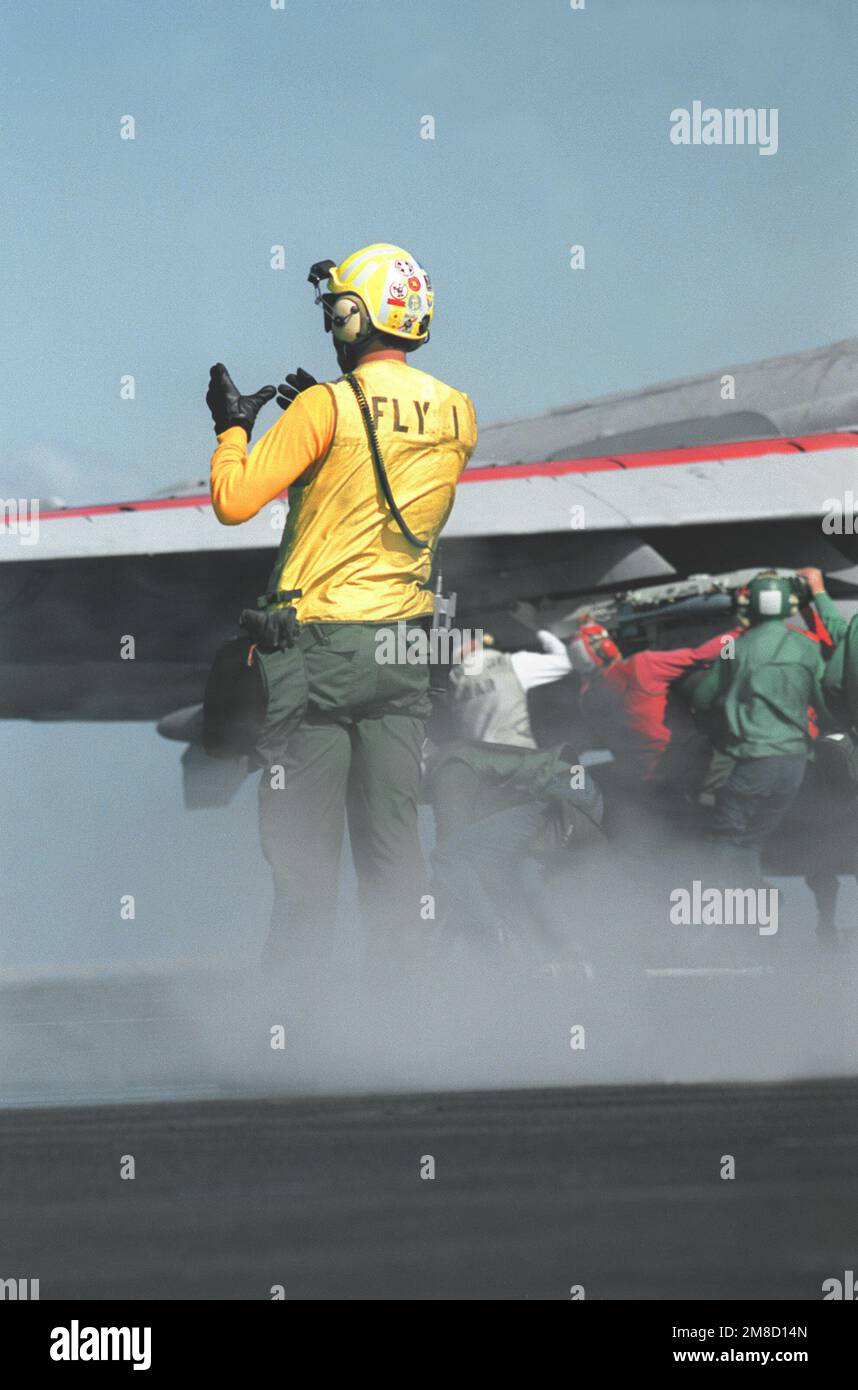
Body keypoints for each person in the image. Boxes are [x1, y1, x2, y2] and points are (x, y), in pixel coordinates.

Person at [204, 244, 477, 986]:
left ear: (358, 313)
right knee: (395, 850)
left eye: (335, 310)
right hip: (402, 653)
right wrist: (323, 425)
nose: (331, 323)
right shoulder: (458, 411)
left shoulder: (327, 406)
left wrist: (234, 428)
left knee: (304, 859)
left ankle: (289, 1029)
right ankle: (405, 1026)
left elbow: (233, 502)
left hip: (317, 656)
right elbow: (381, 466)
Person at [690, 570, 838, 876]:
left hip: (755, 761)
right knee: (752, 842)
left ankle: (708, 918)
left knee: (725, 838)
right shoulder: (808, 648)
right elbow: (824, 705)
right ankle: (755, 913)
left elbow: (702, 698)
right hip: (794, 765)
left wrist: (717, 734)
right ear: (790, 605)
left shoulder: (735, 647)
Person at [572, 620, 739, 791]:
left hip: (648, 781)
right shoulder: (640, 665)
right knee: (743, 755)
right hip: (688, 765)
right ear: (606, 647)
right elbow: (701, 655)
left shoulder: (585, 702)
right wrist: (741, 631)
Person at [446, 627, 572, 749]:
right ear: (475, 644)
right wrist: (538, 627)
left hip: (481, 765)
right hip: (520, 758)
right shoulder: (511, 663)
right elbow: (565, 661)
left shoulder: (450, 685)